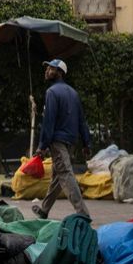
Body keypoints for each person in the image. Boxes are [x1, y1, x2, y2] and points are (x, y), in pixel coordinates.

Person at [33, 59, 92, 220]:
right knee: (58, 176)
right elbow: (82, 120)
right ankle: (44, 210)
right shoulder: (73, 93)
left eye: (51, 69)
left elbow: (49, 121)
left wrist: (42, 146)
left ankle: (82, 213)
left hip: (57, 140)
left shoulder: (52, 92)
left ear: (60, 73)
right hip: (70, 140)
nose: (47, 71)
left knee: (65, 173)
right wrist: (86, 143)